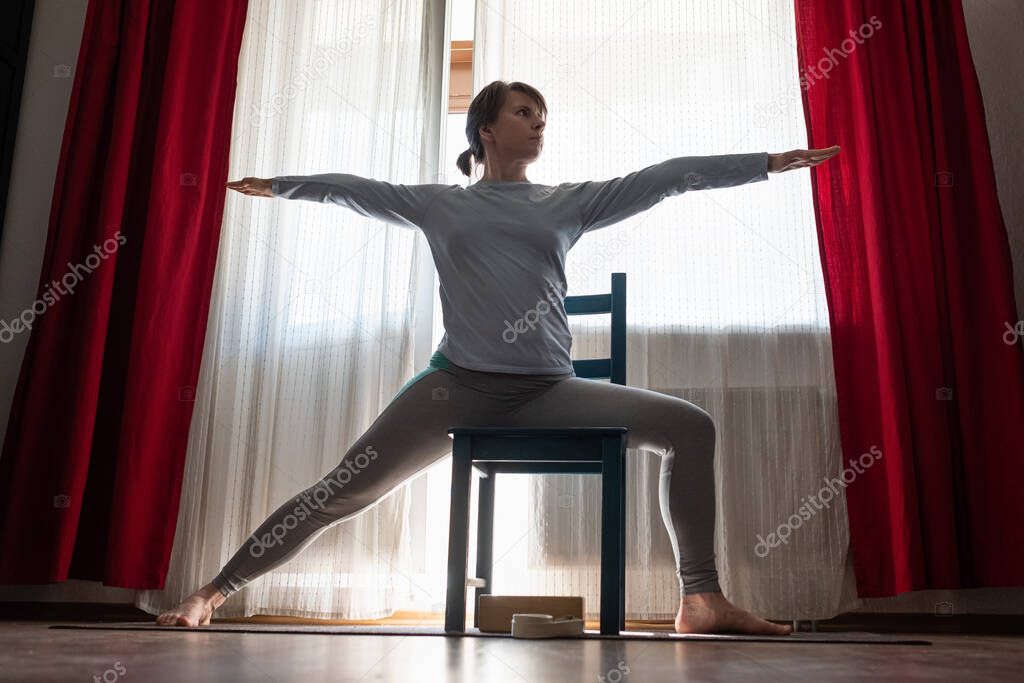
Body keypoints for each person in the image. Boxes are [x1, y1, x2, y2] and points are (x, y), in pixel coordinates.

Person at [158, 80, 840, 634]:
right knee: (342, 488)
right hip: (453, 388)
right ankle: (211, 593)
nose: (539, 125)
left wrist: (766, 164)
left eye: (544, 117)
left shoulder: (570, 202)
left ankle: (701, 599)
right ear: (486, 128)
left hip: (549, 389)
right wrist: (283, 184)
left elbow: (671, 176)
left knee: (691, 425)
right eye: (524, 113)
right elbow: (355, 189)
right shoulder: (441, 206)